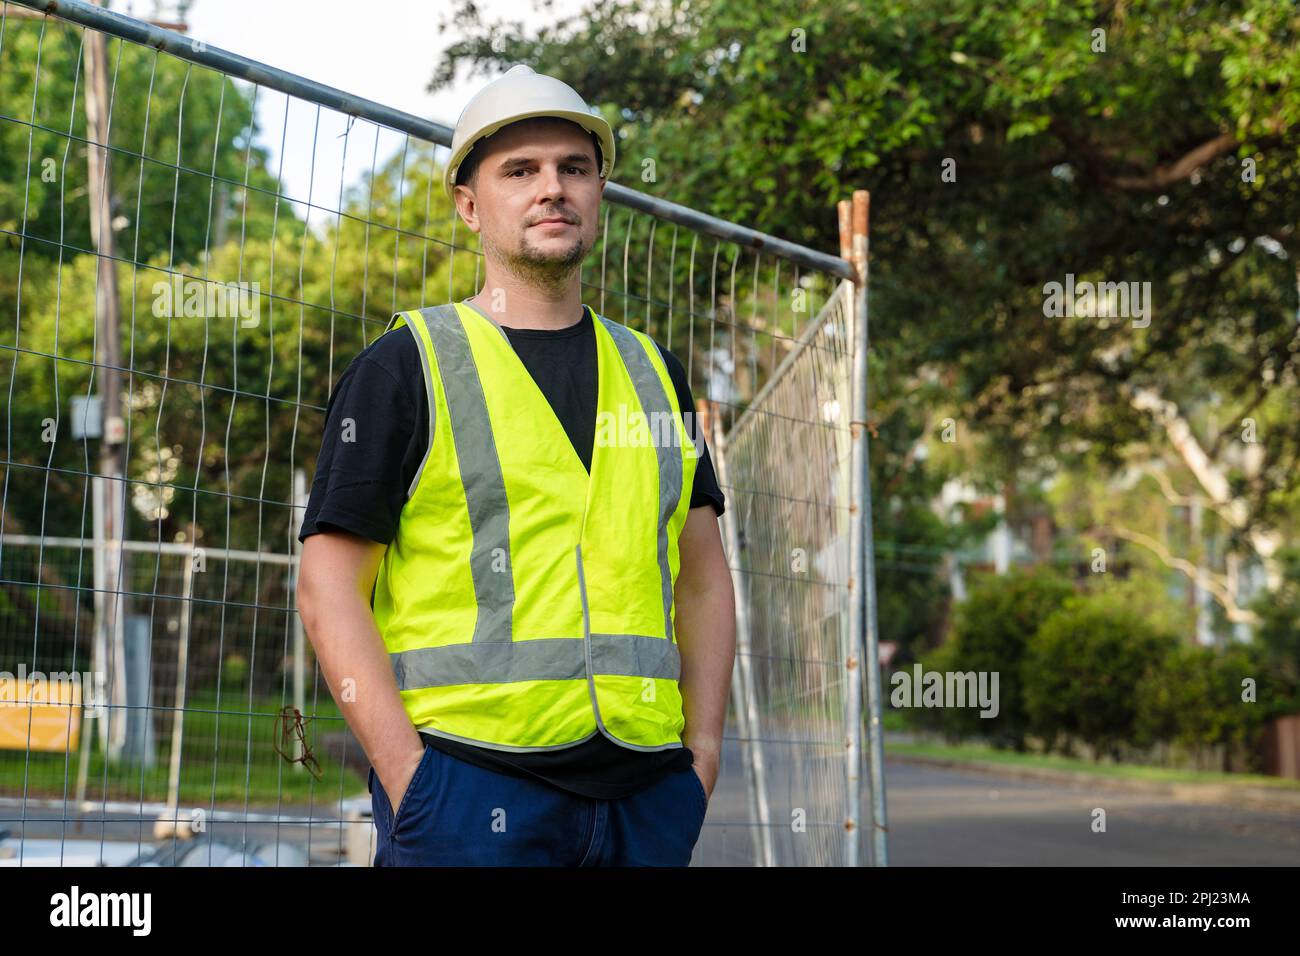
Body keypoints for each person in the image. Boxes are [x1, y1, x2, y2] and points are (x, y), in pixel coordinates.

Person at [297, 64, 737, 866]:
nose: (552, 189)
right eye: (520, 171)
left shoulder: (654, 373)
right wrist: (412, 782)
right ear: (470, 205)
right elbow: (328, 589)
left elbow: (702, 577)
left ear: (600, 191)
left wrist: (700, 758)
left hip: (646, 798)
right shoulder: (407, 367)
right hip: (469, 792)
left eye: (574, 168)